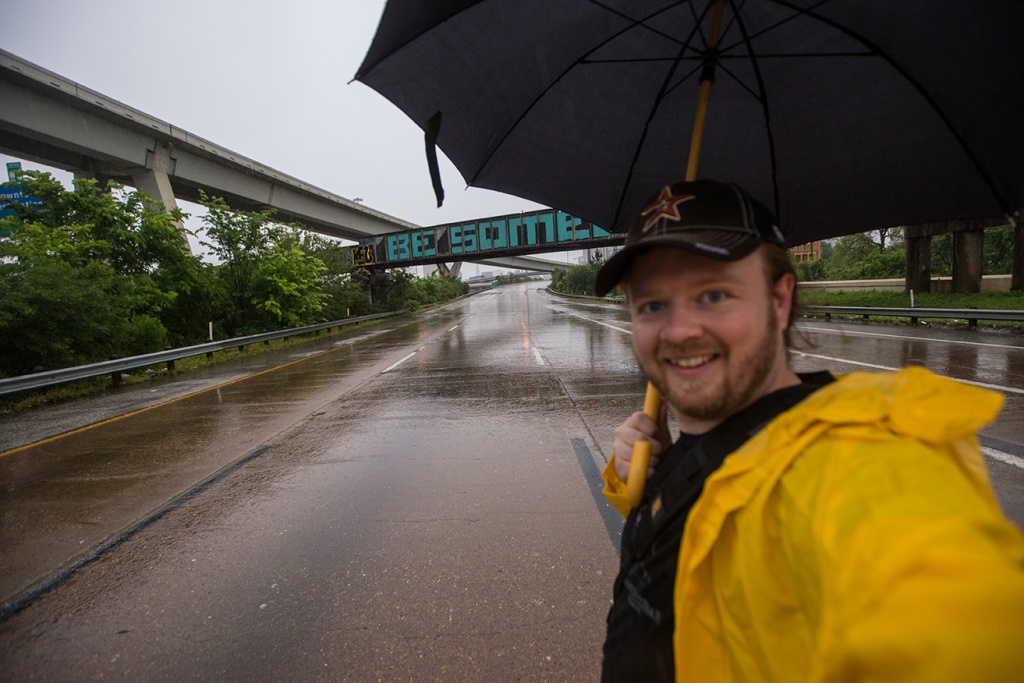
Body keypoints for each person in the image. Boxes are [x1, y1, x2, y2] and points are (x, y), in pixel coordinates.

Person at [595, 179, 1024, 682]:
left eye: (713, 294)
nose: (679, 330)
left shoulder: (852, 462)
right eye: (651, 305)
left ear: (779, 300)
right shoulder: (697, 452)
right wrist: (653, 486)